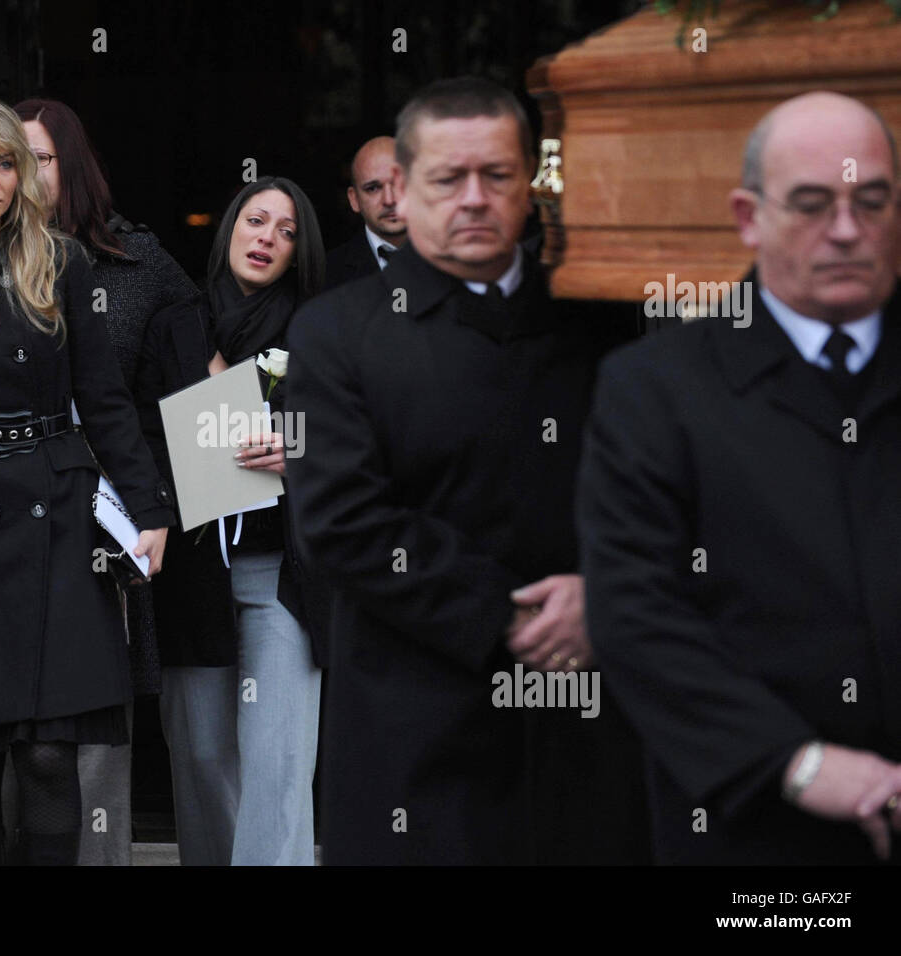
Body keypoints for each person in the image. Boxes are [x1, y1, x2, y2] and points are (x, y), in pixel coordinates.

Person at [286, 76, 646, 865]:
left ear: (531, 185)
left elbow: (669, 493)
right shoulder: (337, 334)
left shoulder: (604, 320)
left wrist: (606, 596)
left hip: (588, 728)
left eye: (498, 176)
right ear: (403, 193)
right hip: (415, 738)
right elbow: (340, 521)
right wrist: (512, 616)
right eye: (450, 179)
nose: (475, 199)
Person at [578, 91, 901, 865]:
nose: (848, 230)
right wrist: (796, 763)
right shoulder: (654, 390)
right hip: (753, 833)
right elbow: (636, 614)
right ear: (749, 216)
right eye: (813, 204)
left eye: (873, 200)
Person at [0, 97, 174, 866]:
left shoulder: (62, 262)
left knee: (50, 754)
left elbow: (106, 399)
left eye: (6, 163)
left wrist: (149, 508)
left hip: (57, 512)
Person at [13, 95, 197, 866]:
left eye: (42, 159)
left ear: (74, 165)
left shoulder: (138, 260)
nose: (24, 175)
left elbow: (196, 383)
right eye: (9, 158)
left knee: (90, 736)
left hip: (104, 522)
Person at [135, 176, 328, 866]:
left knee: (277, 758)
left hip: (283, 575)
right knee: (203, 756)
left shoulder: (322, 327)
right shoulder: (175, 321)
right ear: (229, 231)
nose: (267, 238)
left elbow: (367, 436)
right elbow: (139, 434)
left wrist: (300, 447)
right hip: (193, 567)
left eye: (286, 230)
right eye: (255, 220)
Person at [323, 136, 406, 290]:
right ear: (354, 199)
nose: (389, 200)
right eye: (373, 188)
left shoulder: (457, 262)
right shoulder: (326, 275)